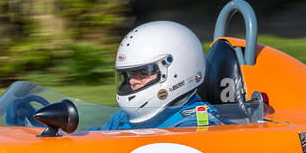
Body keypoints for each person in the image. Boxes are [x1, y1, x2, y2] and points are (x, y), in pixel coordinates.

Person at [93, 20, 224, 129]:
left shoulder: (196, 123)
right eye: (129, 74)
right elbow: (95, 139)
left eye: (142, 73)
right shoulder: (123, 117)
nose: (132, 81)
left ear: (176, 72)